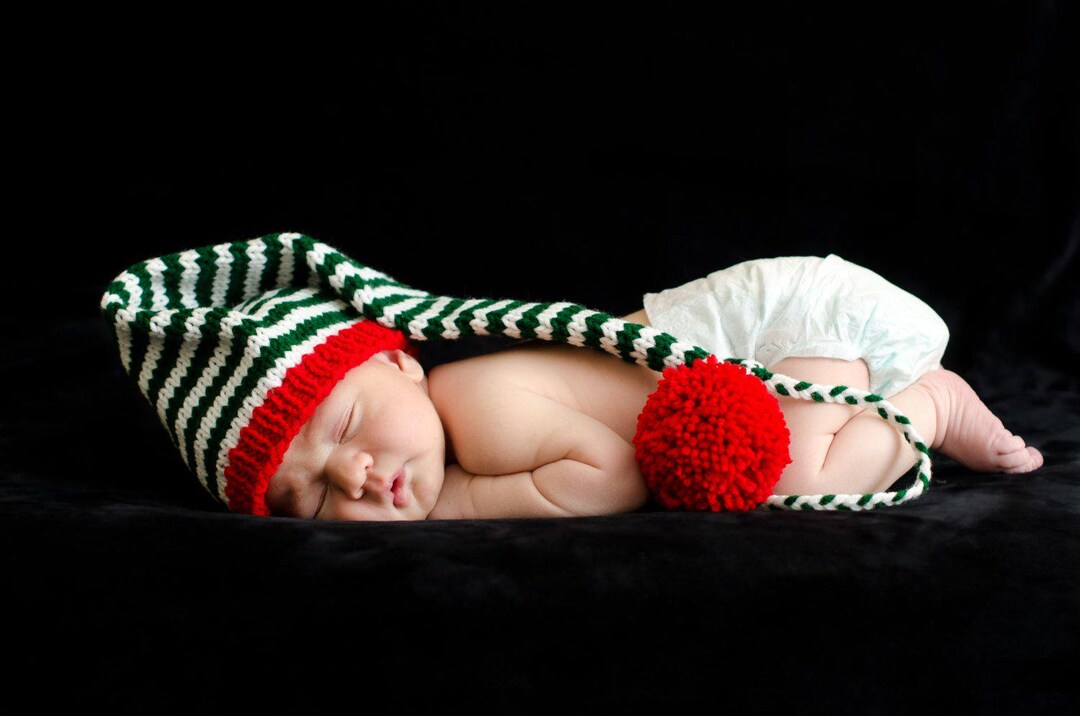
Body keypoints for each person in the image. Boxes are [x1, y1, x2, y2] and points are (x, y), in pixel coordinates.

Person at [100, 234, 1044, 521]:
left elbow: (616, 473)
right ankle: (911, 406)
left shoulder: (477, 410)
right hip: (760, 361)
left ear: (397, 358)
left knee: (790, 476)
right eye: (303, 497)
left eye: (346, 422)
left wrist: (463, 508)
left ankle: (931, 399)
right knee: (777, 462)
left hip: (783, 325)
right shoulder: (446, 429)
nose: (351, 475)